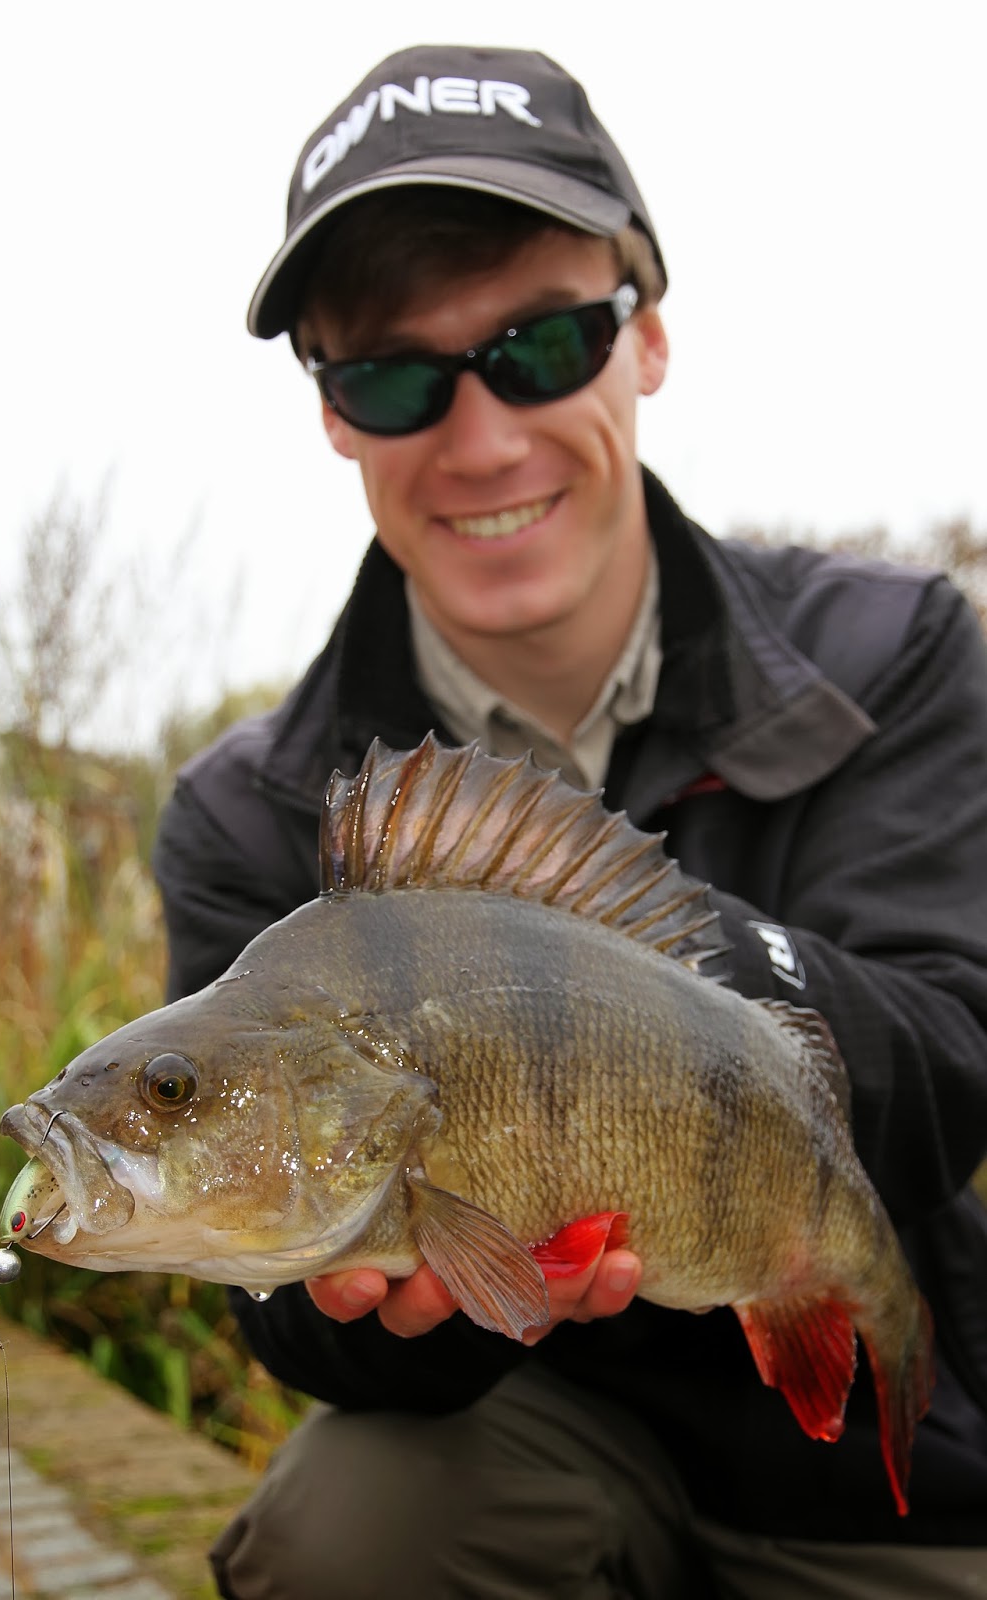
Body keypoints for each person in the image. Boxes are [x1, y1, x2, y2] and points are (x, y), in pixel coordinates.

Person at [153, 43, 987, 1600]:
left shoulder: (897, 654)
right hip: (522, 1450)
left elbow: (953, 1067)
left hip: (880, 1482)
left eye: (540, 345)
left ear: (645, 333)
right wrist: (386, 1288)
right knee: (344, 1531)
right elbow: (285, 1323)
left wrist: (627, 975)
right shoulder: (246, 812)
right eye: (392, 375)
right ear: (330, 412)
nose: (480, 440)